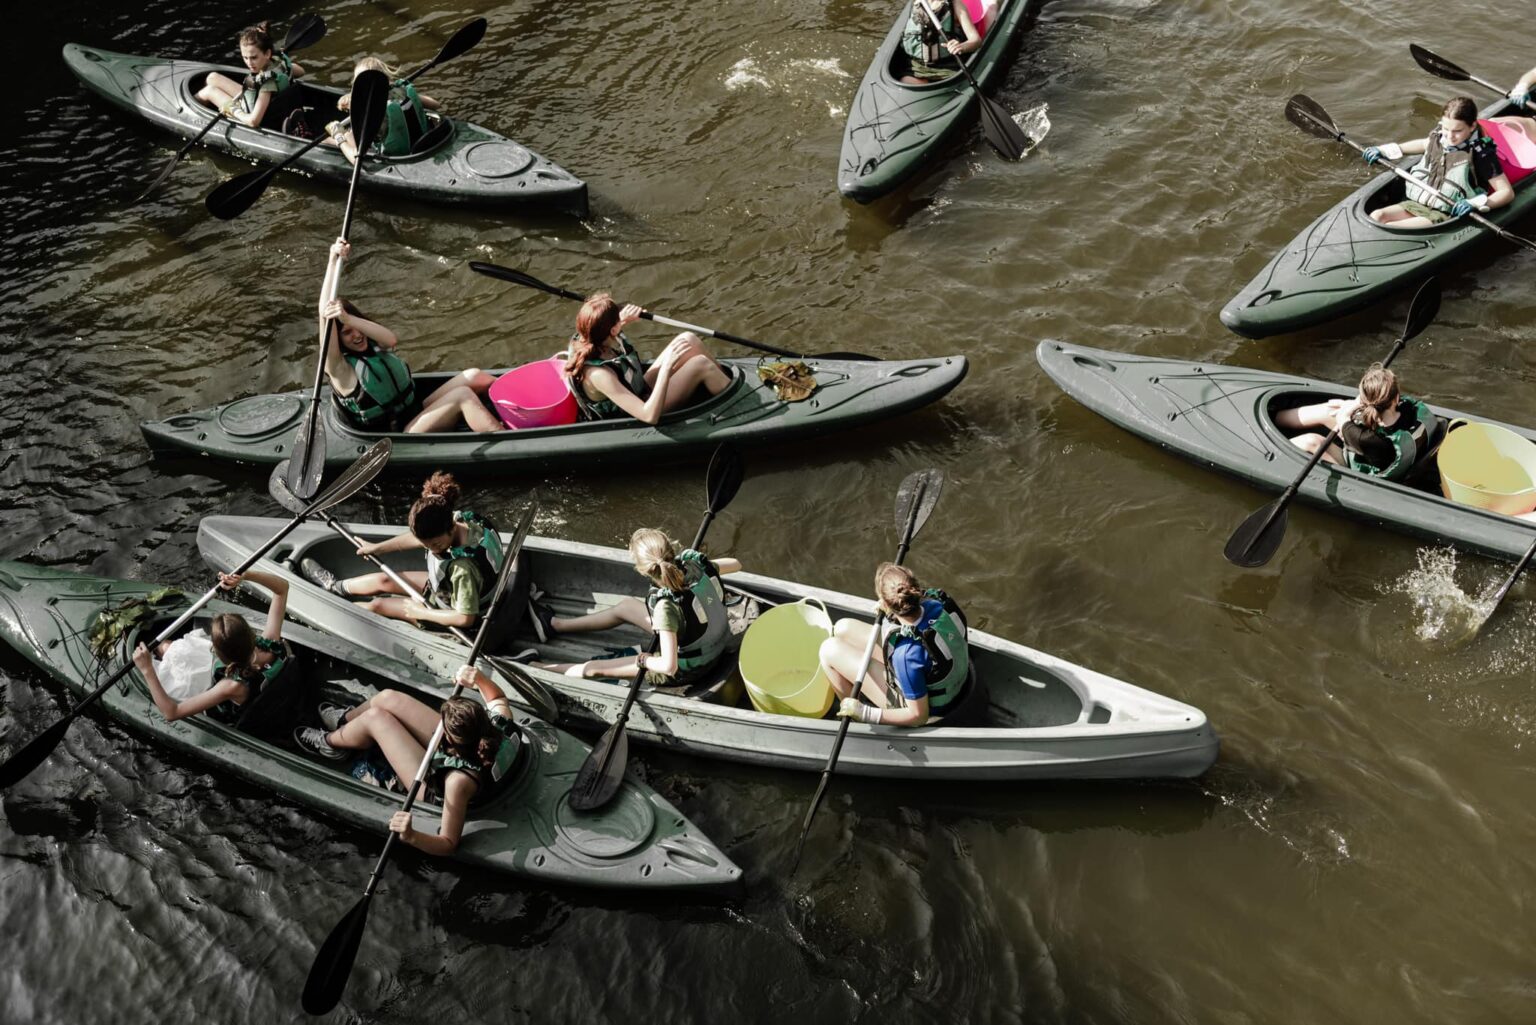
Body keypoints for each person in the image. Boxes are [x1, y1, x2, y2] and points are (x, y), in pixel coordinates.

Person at [293, 665, 520, 856]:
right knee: (387, 698)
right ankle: (345, 721)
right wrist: (479, 678)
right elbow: (498, 697)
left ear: (448, 739)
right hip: (464, 753)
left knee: (376, 718)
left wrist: (412, 836)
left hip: (432, 788)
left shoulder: (457, 783)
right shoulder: (501, 726)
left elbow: (449, 843)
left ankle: (331, 744)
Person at [319, 239, 500, 433]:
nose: (356, 334)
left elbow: (391, 339)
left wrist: (349, 319)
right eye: (346, 332)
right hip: (402, 433)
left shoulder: (375, 345)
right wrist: (332, 261)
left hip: (416, 410)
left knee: (474, 376)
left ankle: (517, 402)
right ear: (338, 339)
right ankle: (506, 438)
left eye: (356, 326)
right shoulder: (339, 369)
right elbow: (323, 314)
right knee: (463, 395)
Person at [531, 529, 740, 687]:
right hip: (713, 639)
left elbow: (669, 666)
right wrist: (707, 567)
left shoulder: (665, 608)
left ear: (642, 570)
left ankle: (534, 669)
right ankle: (554, 625)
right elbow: (736, 563)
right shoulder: (698, 566)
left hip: (693, 667)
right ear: (671, 551)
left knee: (593, 670)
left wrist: (643, 660)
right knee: (626, 607)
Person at [301, 472, 504, 630]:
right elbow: (423, 539)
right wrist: (376, 548)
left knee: (378, 605)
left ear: (449, 528)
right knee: (384, 580)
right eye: (424, 543)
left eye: (434, 545)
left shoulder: (462, 569)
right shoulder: (461, 519)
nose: (429, 549)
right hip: (446, 589)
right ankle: (335, 587)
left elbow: (465, 618)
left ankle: (324, 613)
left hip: (451, 609)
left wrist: (422, 613)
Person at [131, 570, 307, 739]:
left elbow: (171, 712)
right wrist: (244, 576)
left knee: (166, 655)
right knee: (168, 648)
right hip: (259, 686)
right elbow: (282, 588)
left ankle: (157, 654)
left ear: (218, 654)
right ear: (250, 635)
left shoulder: (231, 686)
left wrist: (147, 669)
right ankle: (161, 650)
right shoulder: (271, 644)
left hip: (223, 705)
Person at [818, 563, 969, 727]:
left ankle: (852, 719)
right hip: (946, 674)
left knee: (828, 651)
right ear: (916, 589)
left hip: (930, 710)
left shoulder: (905, 655)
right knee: (843, 627)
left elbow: (919, 716)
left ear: (887, 602)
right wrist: (890, 611)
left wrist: (866, 713)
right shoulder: (939, 601)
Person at [564, 293, 732, 425]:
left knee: (688, 339)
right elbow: (648, 416)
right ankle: (737, 406)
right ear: (612, 330)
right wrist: (666, 368)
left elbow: (605, 330)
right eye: (617, 322)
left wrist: (621, 321)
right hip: (640, 413)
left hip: (637, 390)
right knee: (701, 365)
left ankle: (728, 385)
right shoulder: (599, 375)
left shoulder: (586, 337)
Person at [1363, 97, 1515, 228]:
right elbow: (1424, 144)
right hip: (1416, 203)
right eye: (1446, 128)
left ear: (1472, 126)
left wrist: (1475, 204)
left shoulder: (1481, 154)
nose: (1450, 136)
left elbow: (1506, 193)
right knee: (1377, 215)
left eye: (1457, 131)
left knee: (1391, 227)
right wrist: (1386, 150)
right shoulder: (1439, 138)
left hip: (1444, 213)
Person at [1274, 364, 1435, 481]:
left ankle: (1269, 448)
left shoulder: (1366, 439)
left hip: (1366, 469)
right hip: (1385, 449)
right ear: (1396, 397)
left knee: (1311, 441)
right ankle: (1275, 417)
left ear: (1365, 401)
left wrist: (1346, 409)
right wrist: (1346, 406)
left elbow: (1342, 419)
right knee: (1331, 409)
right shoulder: (1409, 407)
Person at [324, 57, 442, 163]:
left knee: (339, 137)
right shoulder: (402, 90)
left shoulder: (372, 113)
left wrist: (339, 136)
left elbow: (356, 158)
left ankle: (336, 137)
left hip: (396, 156)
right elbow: (436, 105)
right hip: (423, 141)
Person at [194, 22, 305, 129]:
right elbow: (301, 72)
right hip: (259, 102)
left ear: (267, 53)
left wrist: (231, 109)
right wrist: (286, 66)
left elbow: (253, 121)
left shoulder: (266, 83)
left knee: (209, 91)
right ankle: (207, 108)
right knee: (212, 77)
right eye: (245, 57)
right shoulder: (279, 61)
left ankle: (191, 114)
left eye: (254, 57)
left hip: (250, 114)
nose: (249, 63)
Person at [898, 0, 982, 85]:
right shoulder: (916, 3)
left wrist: (961, 47)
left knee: (950, 86)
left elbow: (976, 40)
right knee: (907, 84)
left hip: (948, 66)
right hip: (918, 66)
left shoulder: (956, 4)